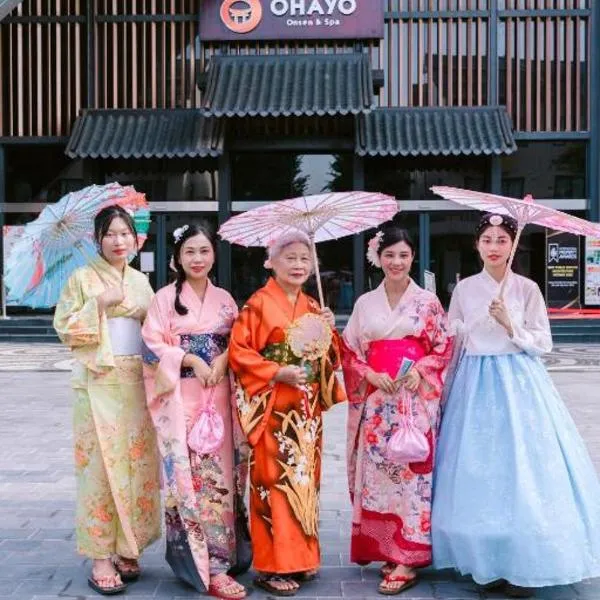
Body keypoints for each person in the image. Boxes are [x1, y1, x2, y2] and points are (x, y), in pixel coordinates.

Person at [432, 213, 600, 597]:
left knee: (522, 468)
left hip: (520, 384)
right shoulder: (464, 289)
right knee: (478, 470)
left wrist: (510, 324)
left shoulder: (527, 289)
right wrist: (461, 335)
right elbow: (451, 338)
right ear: (477, 245)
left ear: (513, 246)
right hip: (474, 383)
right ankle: (484, 560)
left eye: (501, 240)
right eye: (487, 240)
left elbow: (543, 343)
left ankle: (523, 561)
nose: (494, 247)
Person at [228, 231, 346, 596]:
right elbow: (239, 352)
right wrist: (276, 371)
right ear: (272, 262)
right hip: (274, 405)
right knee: (273, 482)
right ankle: (271, 566)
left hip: (306, 408)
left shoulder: (312, 304)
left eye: (305, 259)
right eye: (290, 258)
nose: (298, 265)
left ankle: (299, 558)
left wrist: (329, 329)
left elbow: (330, 358)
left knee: (303, 483)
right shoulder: (258, 304)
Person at [54, 205, 161, 595]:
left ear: (135, 239)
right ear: (97, 238)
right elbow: (64, 327)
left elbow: (156, 330)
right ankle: (101, 555)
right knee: (100, 468)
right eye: (110, 233)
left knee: (136, 465)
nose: (118, 241)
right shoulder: (82, 278)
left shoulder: (141, 281)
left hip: (136, 383)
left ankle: (128, 547)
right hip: (98, 382)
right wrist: (97, 304)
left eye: (125, 233)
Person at [141, 223, 250, 600]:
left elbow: (241, 341)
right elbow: (149, 348)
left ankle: (222, 558)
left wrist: (225, 357)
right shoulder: (163, 300)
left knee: (222, 477)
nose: (198, 258)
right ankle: (204, 564)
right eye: (190, 251)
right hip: (181, 400)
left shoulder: (225, 299)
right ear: (177, 257)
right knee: (191, 479)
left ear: (214, 255)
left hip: (219, 397)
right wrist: (188, 358)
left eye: (204, 250)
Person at [341, 226, 452, 595]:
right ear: (378, 258)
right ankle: (389, 549)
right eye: (389, 255)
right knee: (379, 478)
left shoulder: (428, 303)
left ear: (413, 258)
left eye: (403, 255)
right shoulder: (364, 303)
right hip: (377, 403)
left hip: (414, 402)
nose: (396, 262)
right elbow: (350, 350)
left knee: (412, 478)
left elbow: (443, 348)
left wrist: (421, 370)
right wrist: (369, 373)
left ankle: (409, 557)